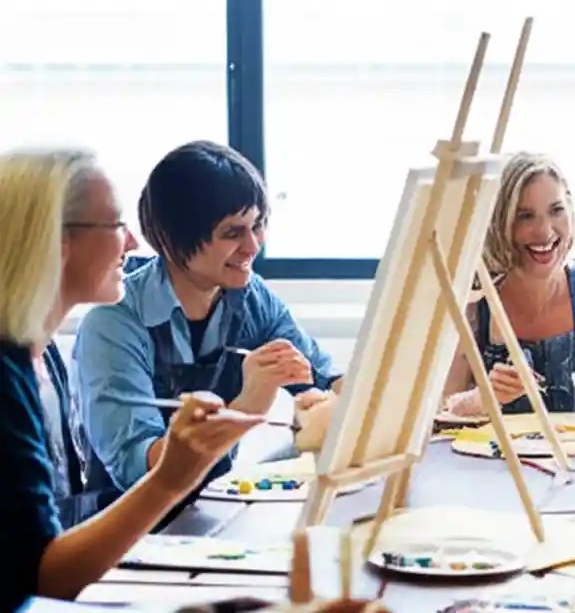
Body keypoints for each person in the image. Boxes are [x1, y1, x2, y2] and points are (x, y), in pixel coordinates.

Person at [0, 148, 259, 609]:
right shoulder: (7, 380)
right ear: (55, 243)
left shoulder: (40, 357)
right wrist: (170, 478)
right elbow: (41, 578)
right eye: (117, 225)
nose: (133, 244)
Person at [74, 141, 340, 495]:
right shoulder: (114, 323)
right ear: (171, 240)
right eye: (232, 233)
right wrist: (245, 407)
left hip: (211, 501)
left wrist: (338, 399)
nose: (252, 246)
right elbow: (140, 471)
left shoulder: (251, 298)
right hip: (133, 528)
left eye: (257, 226)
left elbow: (325, 375)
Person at [441, 152, 575, 420]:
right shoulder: (471, 303)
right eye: (525, 216)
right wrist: (479, 399)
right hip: (495, 462)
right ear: (498, 224)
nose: (544, 231)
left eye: (556, 211)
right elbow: (435, 413)